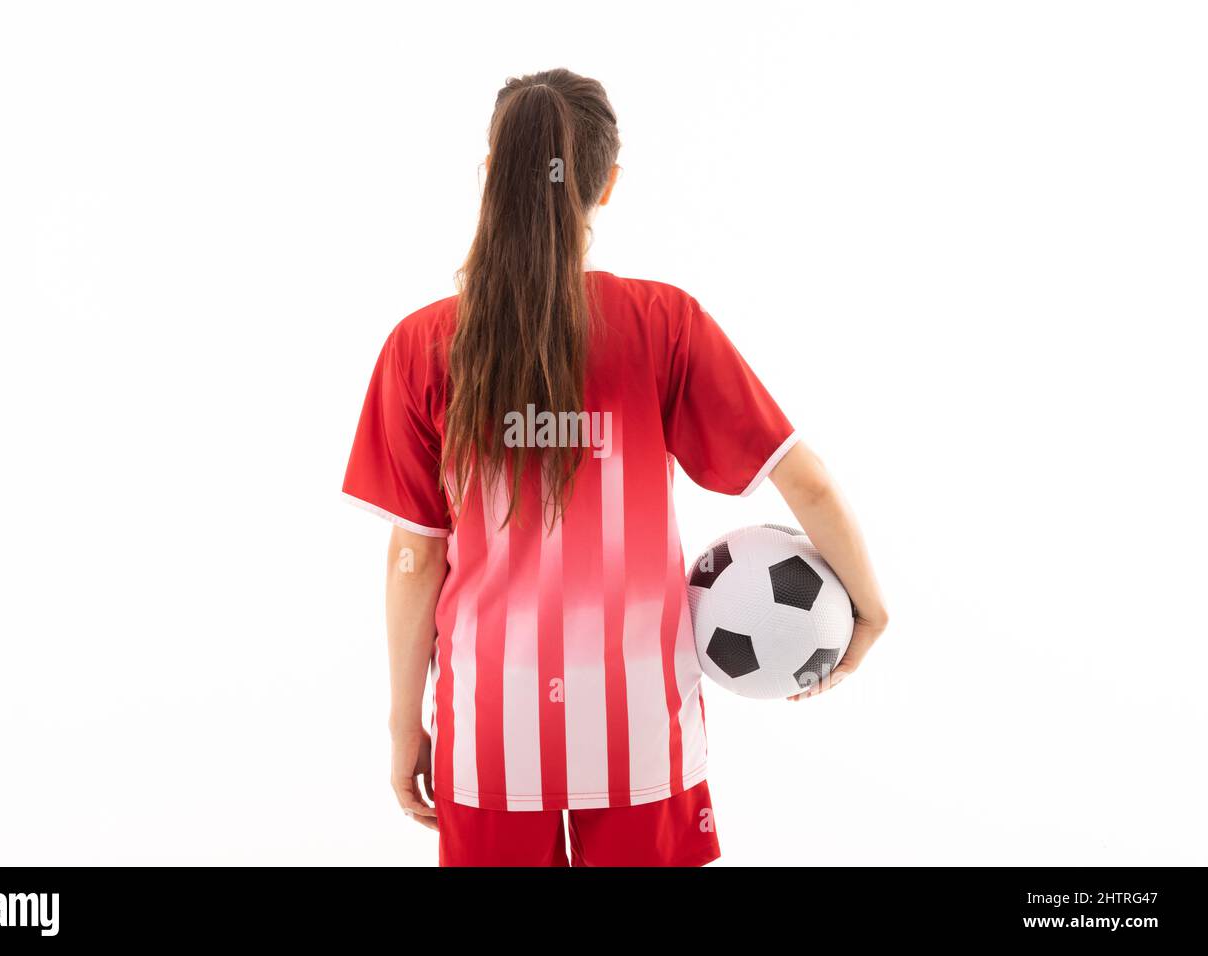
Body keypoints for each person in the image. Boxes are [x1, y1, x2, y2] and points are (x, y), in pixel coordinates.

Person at [342, 68, 887, 867]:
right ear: (608, 185)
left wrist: (405, 725)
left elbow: (413, 554)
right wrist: (870, 611)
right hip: (638, 728)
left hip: (491, 733)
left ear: (492, 174)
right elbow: (804, 479)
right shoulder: (663, 324)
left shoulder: (422, 345)